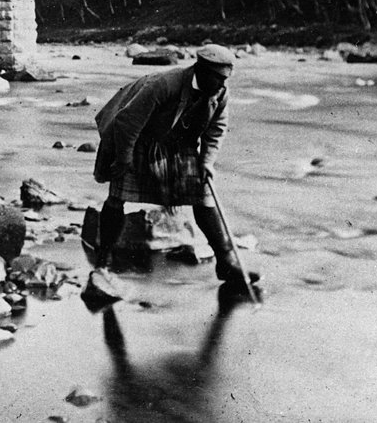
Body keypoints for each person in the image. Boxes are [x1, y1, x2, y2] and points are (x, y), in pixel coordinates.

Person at [91, 44, 259, 287]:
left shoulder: (220, 93)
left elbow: (216, 130)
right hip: (139, 139)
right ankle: (103, 263)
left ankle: (226, 263)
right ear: (201, 70)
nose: (223, 85)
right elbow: (128, 122)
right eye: (219, 78)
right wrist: (124, 158)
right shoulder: (165, 84)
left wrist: (207, 161)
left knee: (204, 196)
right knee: (117, 197)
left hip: (180, 146)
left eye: (226, 79)